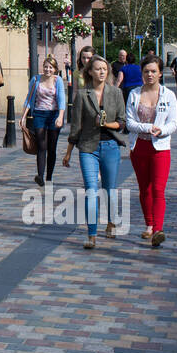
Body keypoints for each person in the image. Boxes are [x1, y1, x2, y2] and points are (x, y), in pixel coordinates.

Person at [64, 56, 126, 249]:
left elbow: (122, 123)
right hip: (88, 148)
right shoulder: (82, 95)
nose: (101, 72)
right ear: (89, 72)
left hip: (110, 147)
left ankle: (111, 222)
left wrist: (107, 124)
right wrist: (68, 152)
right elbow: (76, 127)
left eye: (104, 69)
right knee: (91, 191)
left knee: (110, 190)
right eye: (97, 69)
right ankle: (91, 234)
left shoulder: (116, 93)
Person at [125, 55, 177, 247]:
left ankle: (158, 229)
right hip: (139, 147)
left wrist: (161, 130)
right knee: (144, 188)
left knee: (158, 189)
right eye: (146, 71)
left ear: (160, 73)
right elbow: (130, 123)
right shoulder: (134, 94)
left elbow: (173, 123)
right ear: (141, 73)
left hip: (160, 148)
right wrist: (147, 128)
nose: (150, 74)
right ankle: (149, 223)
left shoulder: (168, 95)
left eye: (153, 71)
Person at [22, 56, 66, 187]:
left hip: (53, 115)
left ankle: (49, 177)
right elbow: (29, 98)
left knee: (52, 148)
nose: (48, 69)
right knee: (41, 146)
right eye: (46, 66)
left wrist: (61, 116)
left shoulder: (57, 81)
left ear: (55, 69)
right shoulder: (35, 79)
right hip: (39, 114)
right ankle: (40, 176)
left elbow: (62, 99)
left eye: (50, 67)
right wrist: (23, 116)